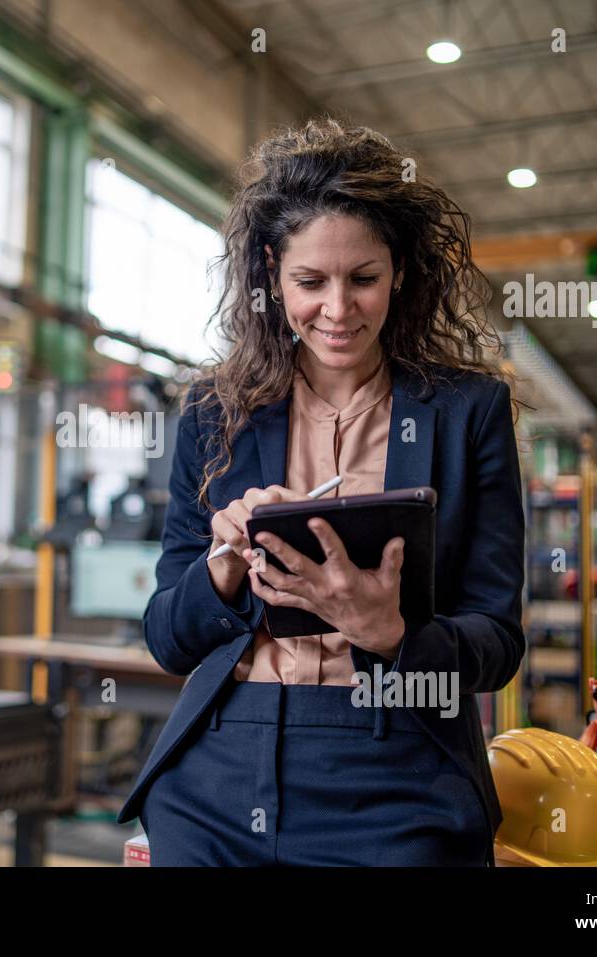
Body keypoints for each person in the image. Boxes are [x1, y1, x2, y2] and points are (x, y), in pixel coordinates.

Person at [116, 117, 526, 866]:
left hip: (397, 757)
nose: (338, 311)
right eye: (311, 282)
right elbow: (168, 637)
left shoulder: (469, 412)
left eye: (363, 278)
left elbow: (498, 643)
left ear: (399, 270)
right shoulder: (215, 412)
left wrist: (394, 634)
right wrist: (222, 569)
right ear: (273, 272)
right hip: (223, 758)